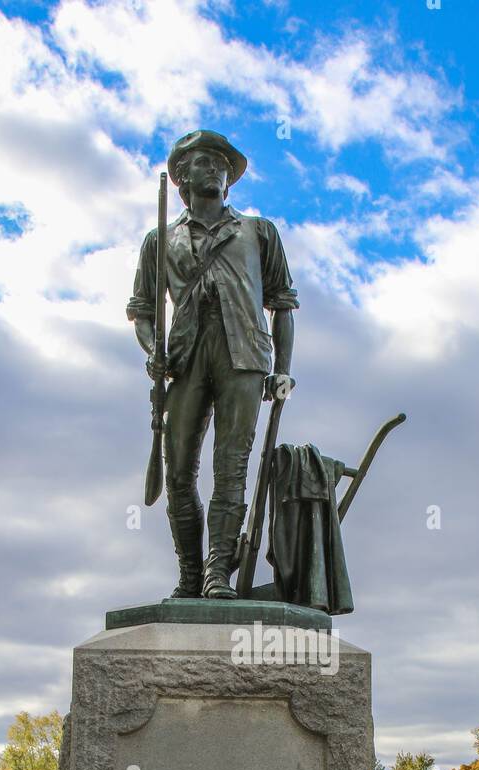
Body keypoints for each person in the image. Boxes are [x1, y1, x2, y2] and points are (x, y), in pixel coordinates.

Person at [127, 130, 298, 599]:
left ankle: (217, 571)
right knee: (179, 469)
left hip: (243, 355)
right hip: (184, 359)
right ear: (181, 177)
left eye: (221, 162)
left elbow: (282, 303)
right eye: (203, 161)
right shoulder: (158, 240)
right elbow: (142, 311)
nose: (215, 168)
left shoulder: (258, 232)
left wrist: (282, 368)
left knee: (232, 466)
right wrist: (153, 351)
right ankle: (189, 572)